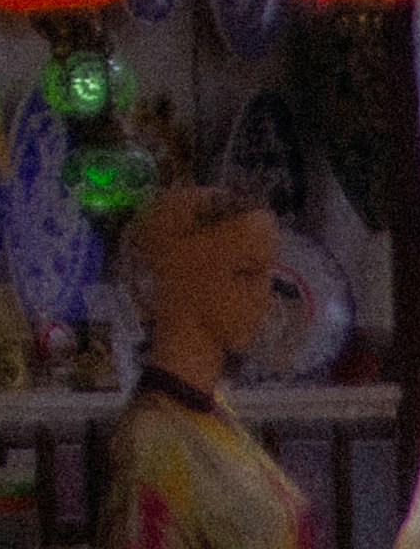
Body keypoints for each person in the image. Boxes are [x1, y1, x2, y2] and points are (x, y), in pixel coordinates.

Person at [104, 186, 302, 549]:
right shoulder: (153, 442)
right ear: (184, 279)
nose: (265, 296)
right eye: (245, 274)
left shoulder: (214, 413)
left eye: (267, 276)